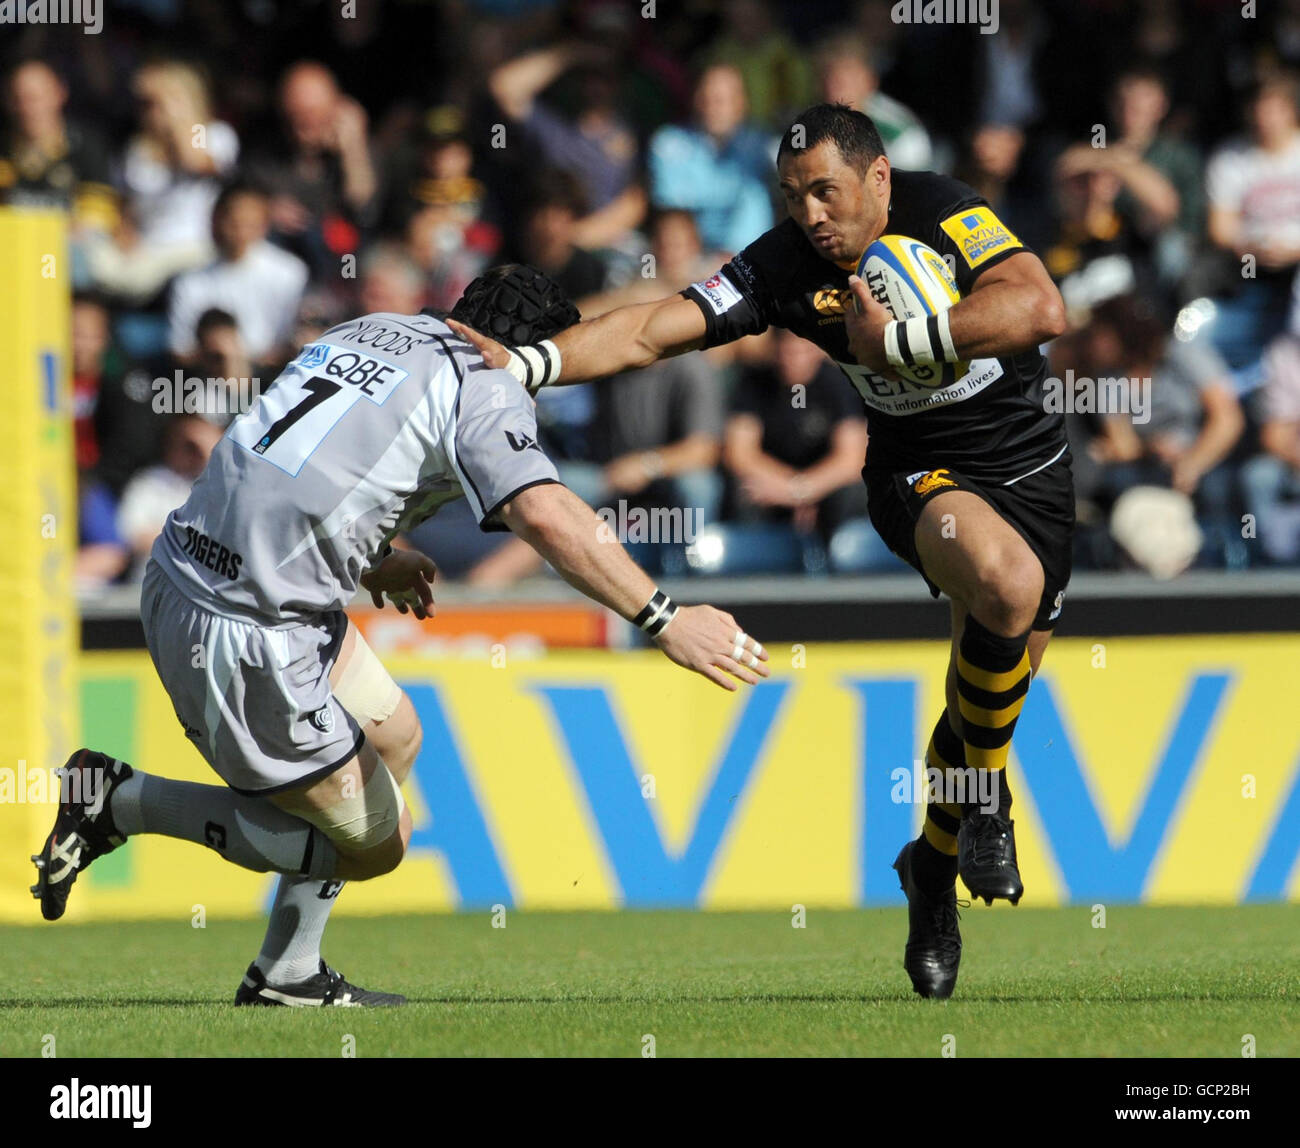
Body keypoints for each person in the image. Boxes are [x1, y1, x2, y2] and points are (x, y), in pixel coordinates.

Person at [449, 104, 1071, 1001]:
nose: (811, 213)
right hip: (919, 475)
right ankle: (984, 801)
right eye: (793, 195)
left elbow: (1038, 306)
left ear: (880, 179)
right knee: (1006, 594)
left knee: (983, 692)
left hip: (1038, 475)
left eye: (826, 190)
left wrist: (893, 343)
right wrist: (528, 366)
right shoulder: (780, 266)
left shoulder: (944, 210)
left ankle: (930, 872)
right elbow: (651, 326)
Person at [32, 266, 768, 1006]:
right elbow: (543, 513)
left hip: (197, 571)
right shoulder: (489, 381)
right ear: (539, 350)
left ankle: (287, 974)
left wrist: (375, 557)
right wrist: (666, 618)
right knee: (378, 845)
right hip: (250, 626)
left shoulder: (374, 329)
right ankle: (121, 803)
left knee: (394, 737)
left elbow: (294, 460)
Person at [167, 181, 309, 363]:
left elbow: (296, 339)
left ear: (264, 223)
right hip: (212, 380)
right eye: (234, 222)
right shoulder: (190, 281)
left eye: (249, 222)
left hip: (275, 376)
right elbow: (181, 349)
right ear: (217, 220)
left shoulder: (291, 272)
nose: (240, 231)